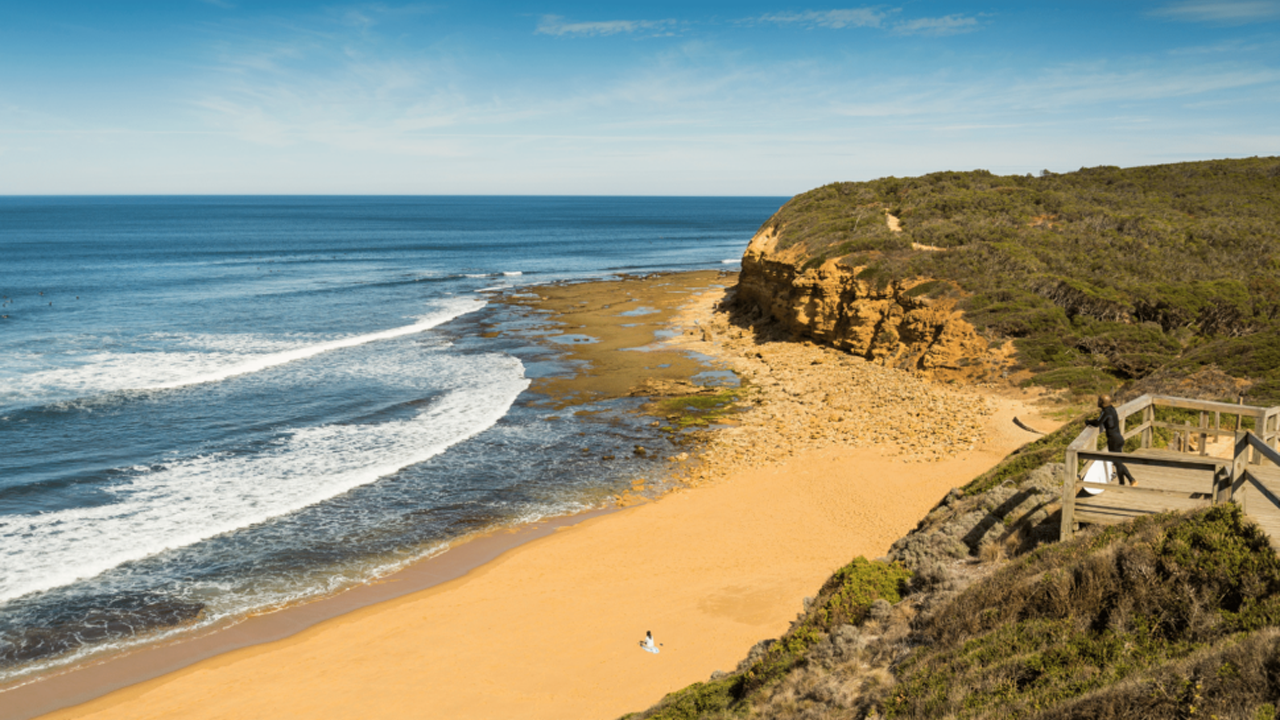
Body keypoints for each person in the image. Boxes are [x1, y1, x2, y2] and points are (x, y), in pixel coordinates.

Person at [1085, 394, 1138, 486]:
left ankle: (1131, 479)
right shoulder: (1112, 409)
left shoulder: (1105, 412)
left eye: (1099, 400)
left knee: (1117, 462)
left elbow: (1098, 423)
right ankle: (1122, 483)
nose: (1097, 402)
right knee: (1117, 462)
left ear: (1102, 402)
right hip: (1119, 438)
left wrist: (1088, 421)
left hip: (1113, 440)